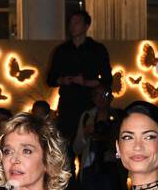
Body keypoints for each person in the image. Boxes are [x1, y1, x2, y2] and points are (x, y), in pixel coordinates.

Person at [45, 9, 113, 154]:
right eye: (71, 23)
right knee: (66, 149)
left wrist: (86, 82)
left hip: (90, 104)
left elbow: (107, 79)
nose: (72, 26)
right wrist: (63, 80)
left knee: (90, 149)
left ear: (86, 26)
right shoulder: (62, 50)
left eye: (77, 22)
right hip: (67, 104)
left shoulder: (97, 49)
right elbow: (50, 79)